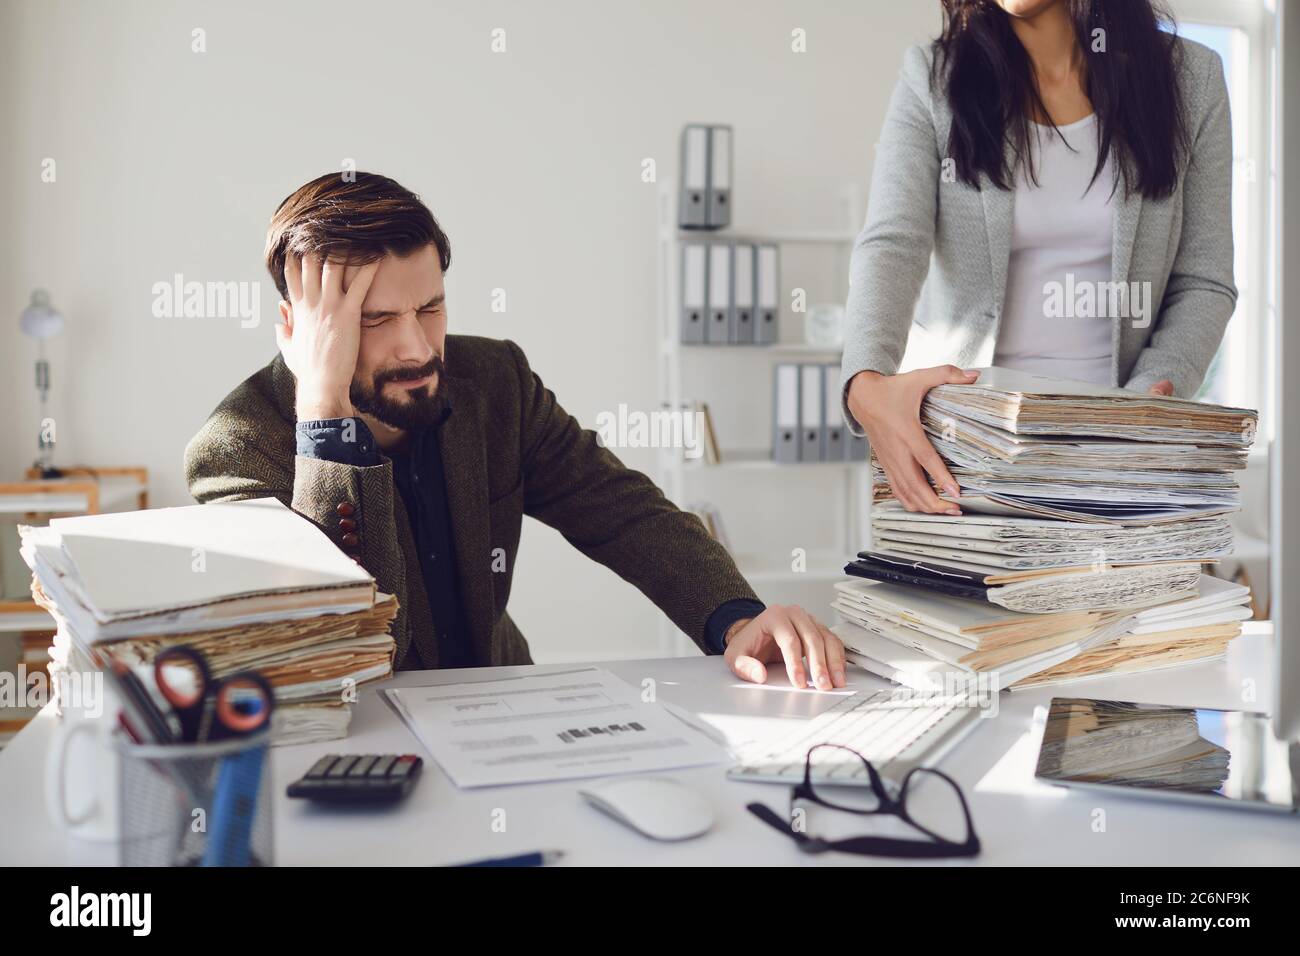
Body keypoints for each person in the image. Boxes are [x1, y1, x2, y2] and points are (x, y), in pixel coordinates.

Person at [185, 172, 846, 689]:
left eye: (431, 307)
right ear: (301, 328)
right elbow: (331, 646)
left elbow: (623, 512)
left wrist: (736, 619)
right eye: (376, 320)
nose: (418, 349)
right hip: (357, 749)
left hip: (502, 707)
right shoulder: (238, 448)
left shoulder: (494, 381)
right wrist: (325, 412)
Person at [841, 0, 1235, 515]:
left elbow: (1204, 279)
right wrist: (865, 380)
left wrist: (1141, 403)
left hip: (1121, 457)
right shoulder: (934, 78)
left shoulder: (1191, 80)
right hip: (963, 456)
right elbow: (893, 242)